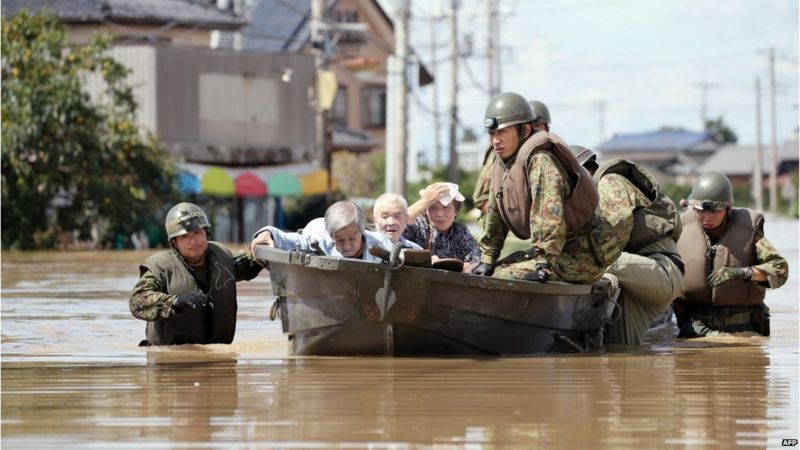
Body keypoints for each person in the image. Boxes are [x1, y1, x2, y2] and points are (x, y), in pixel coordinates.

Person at [472, 92, 609, 283]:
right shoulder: (502, 164)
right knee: (487, 270)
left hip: (578, 256)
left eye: (502, 132)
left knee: (499, 277)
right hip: (555, 254)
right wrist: (488, 258)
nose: (495, 140)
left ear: (525, 130)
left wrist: (544, 263)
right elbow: (496, 216)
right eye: (492, 134)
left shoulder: (541, 161)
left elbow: (548, 215)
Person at [571, 145, 684, 345]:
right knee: (620, 351)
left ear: (582, 170)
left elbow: (619, 222)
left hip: (661, 271)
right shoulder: (588, 200)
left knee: (591, 261)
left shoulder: (608, 181)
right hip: (634, 283)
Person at [129, 202, 264, 346]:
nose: (193, 241)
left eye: (197, 233)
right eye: (184, 237)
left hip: (218, 357)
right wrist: (175, 302)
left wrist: (265, 249)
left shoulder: (223, 261)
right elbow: (136, 301)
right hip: (170, 359)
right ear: (174, 242)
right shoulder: (161, 268)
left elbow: (250, 262)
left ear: (206, 233)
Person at [673, 171, 788, 337]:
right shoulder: (680, 228)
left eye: (714, 211)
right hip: (694, 330)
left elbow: (780, 269)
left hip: (743, 329)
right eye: (701, 211)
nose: (707, 217)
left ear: (728, 209)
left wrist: (741, 272)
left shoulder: (749, 230)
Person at [472, 100, 552, 229]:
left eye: (537, 125)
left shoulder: (545, 156)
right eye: (492, 133)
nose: (533, 131)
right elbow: (481, 198)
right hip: (506, 228)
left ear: (547, 128)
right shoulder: (500, 155)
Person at [250, 200, 394, 262]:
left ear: (362, 231)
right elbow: (289, 240)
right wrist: (267, 234)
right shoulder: (321, 242)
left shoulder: (383, 244)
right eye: (340, 240)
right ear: (331, 236)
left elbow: (412, 253)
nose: (347, 246)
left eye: (352, 239)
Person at [402, 182, 481, 271]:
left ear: (456, 211)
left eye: (446, 207)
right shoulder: (418, 226)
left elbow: (476, 260)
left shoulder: (460, 230)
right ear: (425, 211)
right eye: (433, 208)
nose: (439, 214)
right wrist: (424, 201)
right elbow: (398, 222)